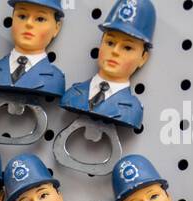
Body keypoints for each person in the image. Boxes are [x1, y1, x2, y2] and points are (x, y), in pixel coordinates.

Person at [59, 0, 155, 131]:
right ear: (101, 43)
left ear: (143, 58)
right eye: (110, 43)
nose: (115, 51)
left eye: (127, 47)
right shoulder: (73, 94)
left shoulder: (131, 110)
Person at [0, 2, 65, 99]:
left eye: (40, 19)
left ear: (56, 28)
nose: (28, 23)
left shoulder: (55, 78)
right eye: (22, 16)